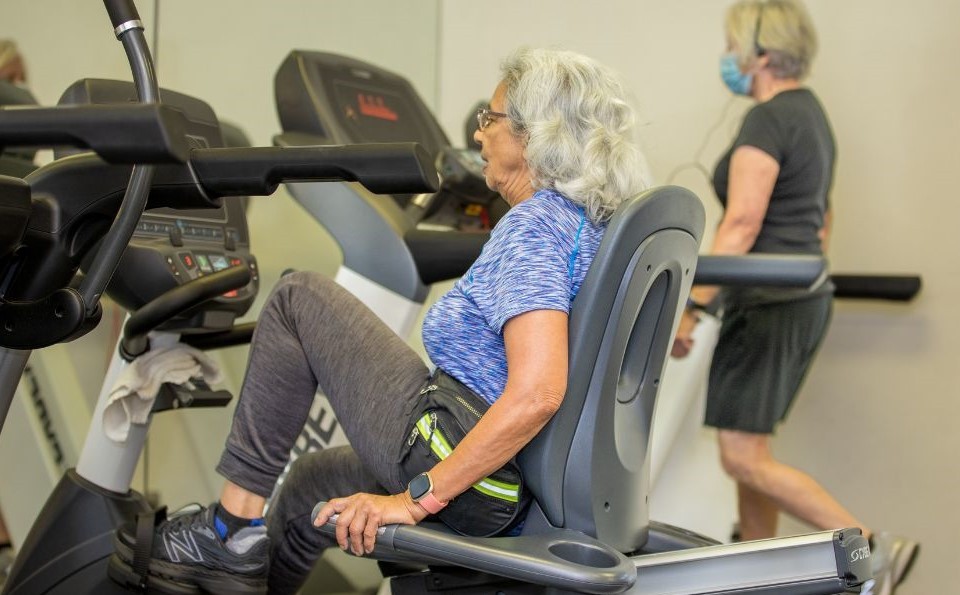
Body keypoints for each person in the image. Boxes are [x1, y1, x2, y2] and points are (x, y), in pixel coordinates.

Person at [112, 47, 648, 595]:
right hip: (510, 477)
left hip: (456, 458)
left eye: (491, 119)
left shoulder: (533, 229)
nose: (480, 134)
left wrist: (415, 500)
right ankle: (245, 565)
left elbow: (538, 392)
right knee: (309, 485)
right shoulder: (588, 225)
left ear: (535, 135)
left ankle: (226, 532)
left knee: (298, 298)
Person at [671, 1, 918, 592]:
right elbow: (821, 219)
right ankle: (759, 568)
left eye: (735, 45)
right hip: (795, 296)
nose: (729, 57)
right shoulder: (812, 116)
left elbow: (742, 223)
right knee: (750, 449)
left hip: (769, 300)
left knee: (741, 456)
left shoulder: (769, 118)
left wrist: (694, 305)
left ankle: (873, 549)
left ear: (759, 52)